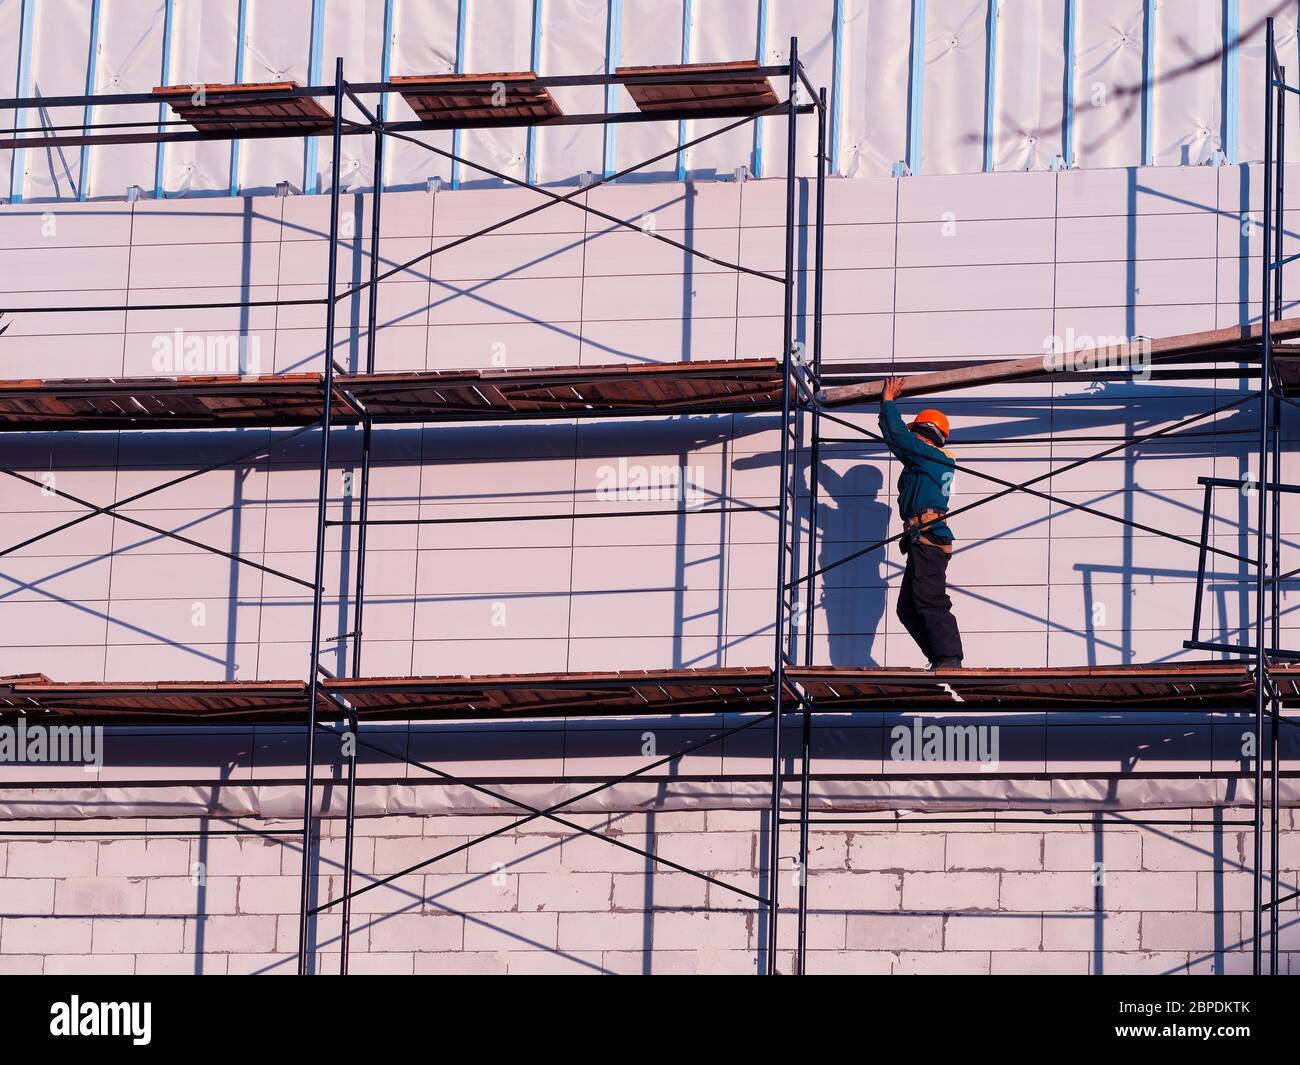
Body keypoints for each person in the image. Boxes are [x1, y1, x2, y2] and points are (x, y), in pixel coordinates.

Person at [879, 376, 964, 670]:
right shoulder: (928, 459)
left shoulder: (930, 456)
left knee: (929, 598)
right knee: (908, 608)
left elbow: (899, 437)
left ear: (925, 433)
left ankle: (949, 658)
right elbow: (900, 441)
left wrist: (888, 402)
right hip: (921, 538)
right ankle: (939, 657)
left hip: (928, 537)